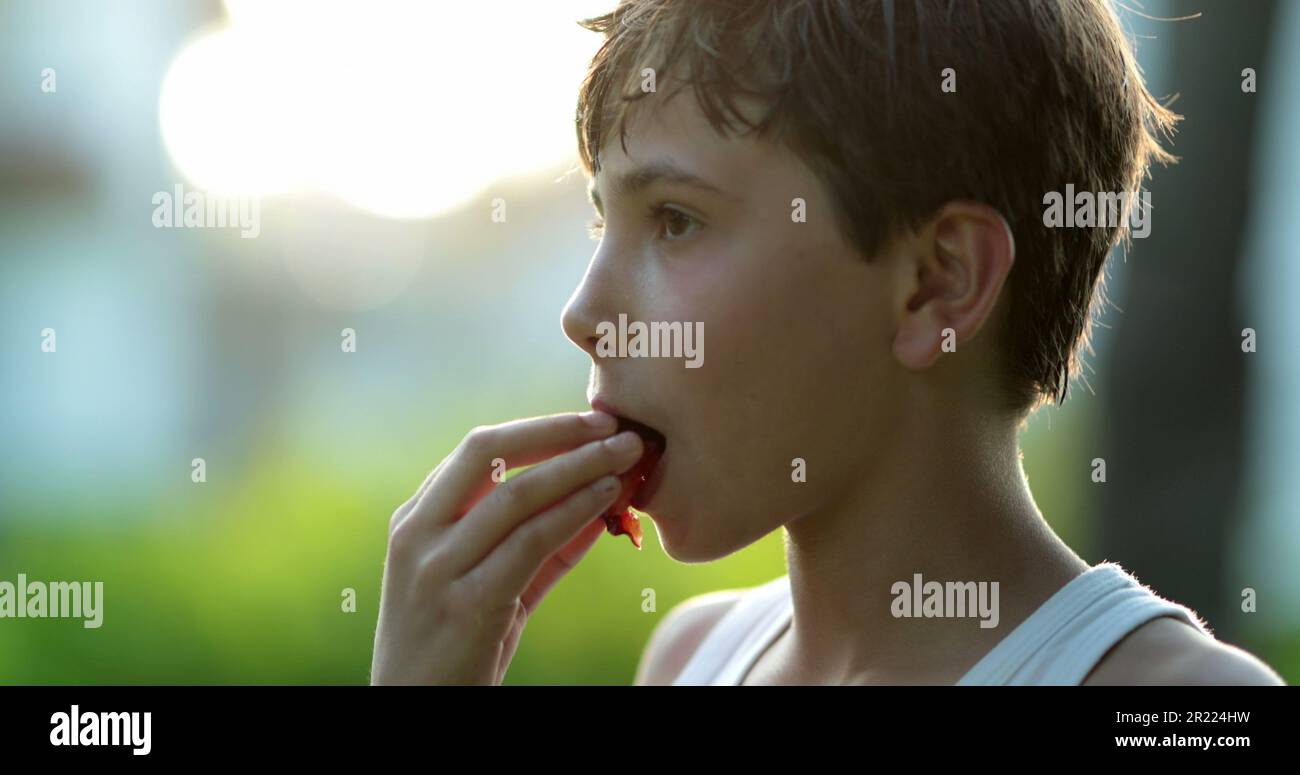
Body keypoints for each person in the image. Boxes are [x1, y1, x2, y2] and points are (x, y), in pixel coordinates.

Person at [371, 0, 1284, 685]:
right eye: (602, 219)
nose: (583, 311)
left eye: (676, 220)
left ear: (939, 282)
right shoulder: (689, 659)